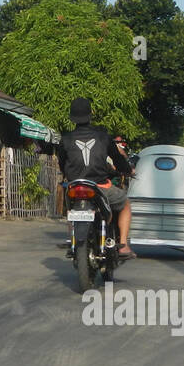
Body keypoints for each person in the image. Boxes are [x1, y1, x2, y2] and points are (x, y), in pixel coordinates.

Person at [58, 97, 136, 258]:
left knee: (71, 210)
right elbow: (118, 160)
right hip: (100, 187)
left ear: (71, 117)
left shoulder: (65, 139)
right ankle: (123, 245)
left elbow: (62, 163)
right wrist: (127, 170)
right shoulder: (103, 136)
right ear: (91, 114)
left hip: (74, 186)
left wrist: (68, 176)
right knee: (125, 204)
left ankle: (72, 239)